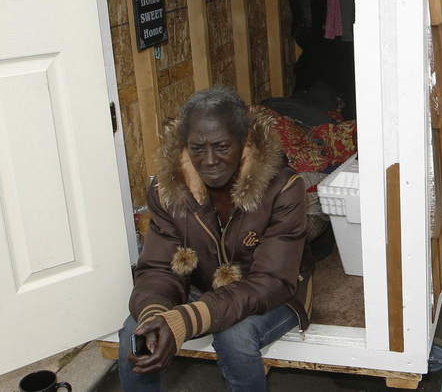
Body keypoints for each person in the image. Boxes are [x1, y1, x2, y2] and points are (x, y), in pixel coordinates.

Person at [121, 86, 312, 392]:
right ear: (185, 145)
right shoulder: (168, 191)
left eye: (222, 146)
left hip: (277, 294)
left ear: (245, 140)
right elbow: (158, 268)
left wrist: (187, 318)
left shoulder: (283, 188)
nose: (209, 160)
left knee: (234, 338)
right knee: (136, 330)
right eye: (197, 148)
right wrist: (157, 316)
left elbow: (272, 281)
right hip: (204, 289)